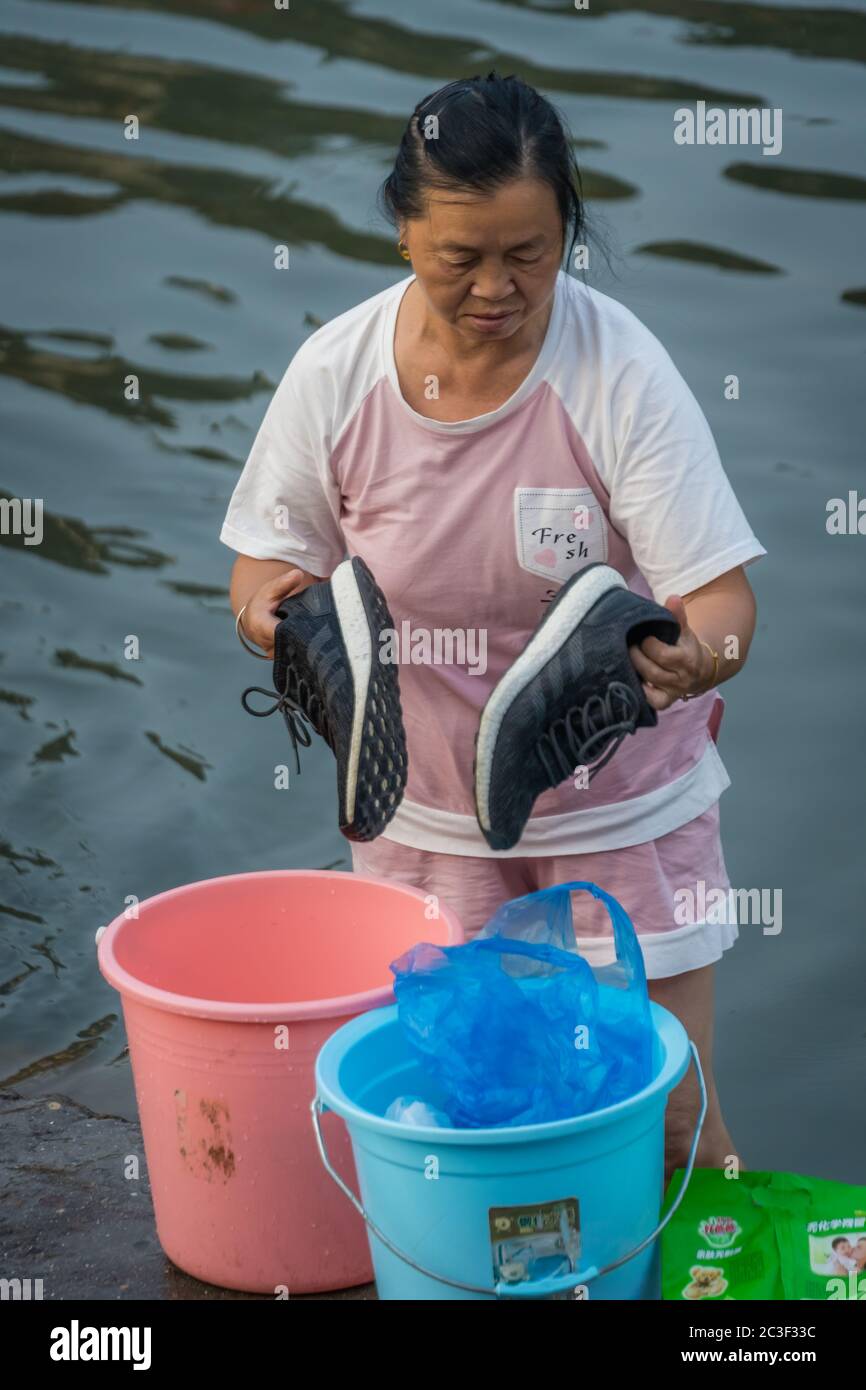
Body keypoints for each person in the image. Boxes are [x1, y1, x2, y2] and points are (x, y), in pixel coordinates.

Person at [221, 74, 765, 1179]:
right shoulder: (338, 372)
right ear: (402, 226)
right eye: (458, 256)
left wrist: (686, 661)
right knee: (461, 1121)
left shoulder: (618, 374)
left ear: (566, 224)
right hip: (416, 806)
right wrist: (281, 621)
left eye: (528, 252)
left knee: (668, 1123)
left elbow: (722, 608)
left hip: (618, 804)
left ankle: (721, 1329)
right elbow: (261, 571)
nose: (496, 288)